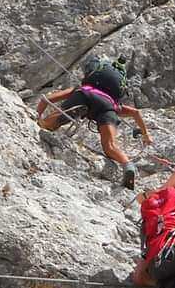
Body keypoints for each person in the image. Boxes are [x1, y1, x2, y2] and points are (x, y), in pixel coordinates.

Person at [36, 56, 151, 190]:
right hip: (107, 107)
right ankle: (128, 165)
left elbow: (47, 99)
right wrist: (146, 134)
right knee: (110, 146)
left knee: (56, 118)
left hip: (85, 95)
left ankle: (52, 121)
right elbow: (135, 112)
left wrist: (36, 115)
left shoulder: (83, 87)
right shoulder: (114, 102)